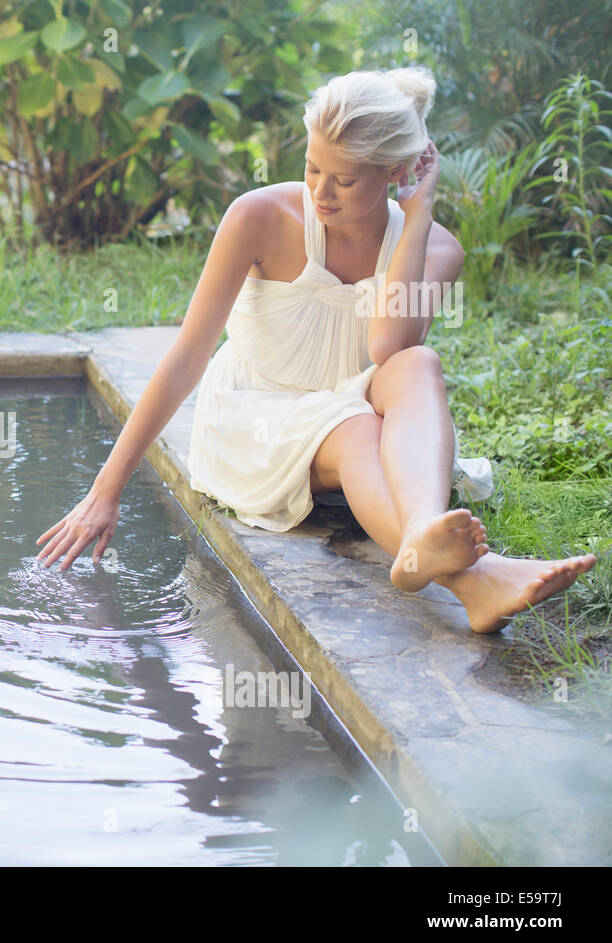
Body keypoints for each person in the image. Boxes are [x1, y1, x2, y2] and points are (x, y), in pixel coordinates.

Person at [36, 66, 596, 634]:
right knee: (356, 426)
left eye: (345, 181)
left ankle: (428, 536)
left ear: (394, 173)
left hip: (354, 408)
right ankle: (476, 575)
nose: (320, 192)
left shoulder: (437, 247)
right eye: (312, 168)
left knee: (418, 364)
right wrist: (105, 491)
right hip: (256, 414)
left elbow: (388, 346)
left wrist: (419, 214)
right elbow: (187, 356)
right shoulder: (258, 216)